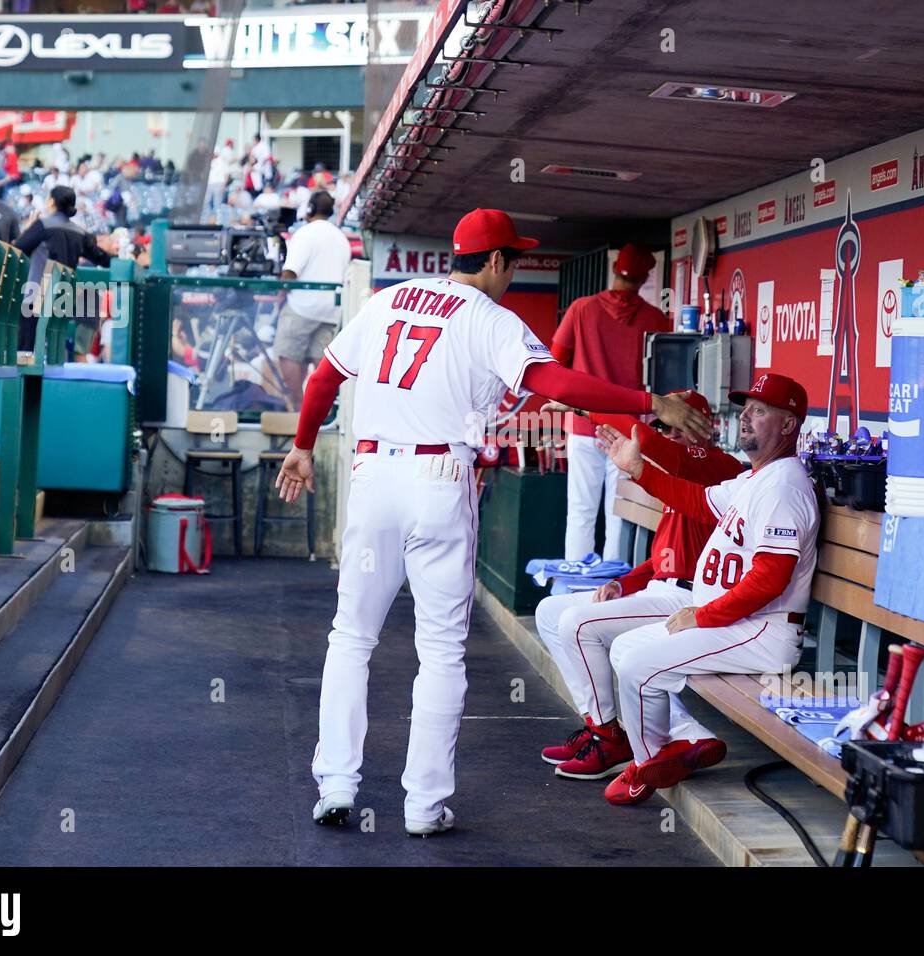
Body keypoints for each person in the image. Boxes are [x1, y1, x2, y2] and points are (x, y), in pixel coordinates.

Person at [274, 208, 709, 837]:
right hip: (437, 483)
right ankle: (423, 806)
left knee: (351, 639)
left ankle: (336, 784)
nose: (513, 272)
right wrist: (652, 402)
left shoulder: (388, 301)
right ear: (498, 261)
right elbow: (557, 382)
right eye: (514, 260)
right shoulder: (489, 318)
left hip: (371, 478)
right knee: (441, 653)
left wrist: (304, 445)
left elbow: (322, 379)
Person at [594, 373, 821, 805]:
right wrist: (639, 469)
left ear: (789, 425)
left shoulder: (786, 485)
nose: (747, 418)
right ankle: (665, 752)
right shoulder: (755, 478)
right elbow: (698, 502)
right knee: (624, 649)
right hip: (737, 621)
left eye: (760, 411)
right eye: (745, 409)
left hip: (763, 629)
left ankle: (647, 764)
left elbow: (770, 579)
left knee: (640, 665)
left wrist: (702, 615)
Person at [533, 391, 745, 780]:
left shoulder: (717, 465)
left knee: (579, 625)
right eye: (662, 426)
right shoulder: (675, 476)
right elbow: (662, 560)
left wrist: (583, 404)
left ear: (701, 427)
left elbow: (654, 444)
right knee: (549, 612)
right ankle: (611, 726)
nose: (666, 434)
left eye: (674, 425)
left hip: (689, 598)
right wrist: (622, 582)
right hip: (660, 590)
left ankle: (609, 736)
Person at [553, 242, 668, 563]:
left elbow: (555, 364)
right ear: (645, 277)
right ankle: (611, 590)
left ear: (615, 269)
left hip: (583, 424)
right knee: (620, 513)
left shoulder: (580, 309)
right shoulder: (655, 318)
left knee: (580, 512)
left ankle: (577, 588)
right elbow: (665, 379)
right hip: (627, 431)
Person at [14, 185, 112, 351]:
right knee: (55, 353)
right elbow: (103, 259)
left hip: (36, 299)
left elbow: (18, 250)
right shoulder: (81, 233)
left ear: (51, 202)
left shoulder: (42, 226)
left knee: (26, 352)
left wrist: (28, 229)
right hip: (63, 302)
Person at [277, 191, 351, 409]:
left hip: (303, 307)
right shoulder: (341, 237)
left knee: (287, 353)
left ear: (309, 209)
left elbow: (290, 273)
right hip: (332, 310)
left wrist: (279, 295)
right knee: (321, 363)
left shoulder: (305, 233)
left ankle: (298, 407)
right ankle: (318, 412)